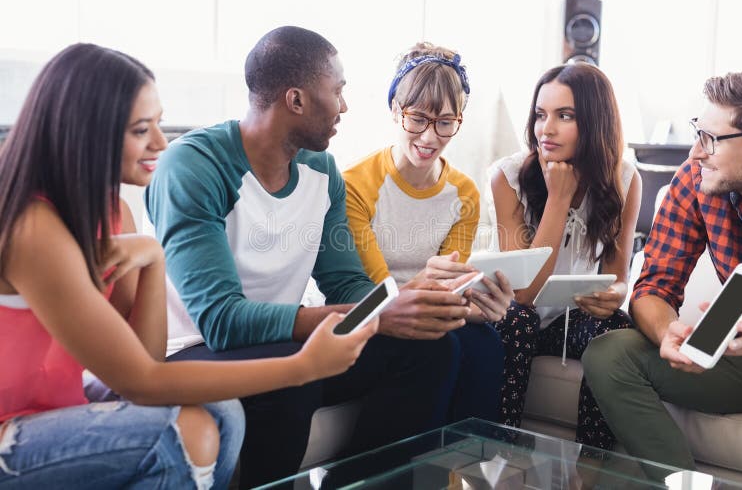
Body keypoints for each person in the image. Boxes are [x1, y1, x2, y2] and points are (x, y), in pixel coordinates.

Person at [0, 44, 376, 489]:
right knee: (179, 431)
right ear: (86, 134)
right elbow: (142, 381)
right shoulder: (32, 226)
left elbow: (146, 355)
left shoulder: (113, 211)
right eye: (142, 130)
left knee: (223, 412)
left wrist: (154, 259)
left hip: (58, 408)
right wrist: (305, 367)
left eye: (158, 124)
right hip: (11, 429)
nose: (161, 143)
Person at [144, 26, 473, 487]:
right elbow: (220, 320)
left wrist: (408, 305)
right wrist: (375, 315)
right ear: (296, 100)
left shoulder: (322, 171)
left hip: (281, 343)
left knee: (433, 349)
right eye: (337, 91)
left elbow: (347, 284)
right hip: (195, 352)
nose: (344, 106)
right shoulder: (194, 166)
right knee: (292, 381)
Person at [582, 68, 742, 477]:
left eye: (711, 140)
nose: (696, 153)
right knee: (610, 353)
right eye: (698, 133)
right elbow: (653, 285)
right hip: (738, 355)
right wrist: (669, 334)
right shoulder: (697, 180)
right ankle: (674, 484)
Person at [343, 43, 513, 423]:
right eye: (417, 118)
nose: (430, 137)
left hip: (429, 316)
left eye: (445, 122)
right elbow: (374, 296)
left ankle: (465, 470)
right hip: (369, 314)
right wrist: (432, 291)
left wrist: (483, 308)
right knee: (444, 348)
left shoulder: (463, 193)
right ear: (394, 111)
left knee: (484, 340)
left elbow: (453, 290)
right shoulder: (355, 184)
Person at [488, 63, 641, 451]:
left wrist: (613, 295)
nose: (546, 129)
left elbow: (618, 277)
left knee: (615, 327)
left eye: (564, 116)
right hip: (509, 315)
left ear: (594, 122)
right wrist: (557, 199)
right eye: (540, 115)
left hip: (567, 322)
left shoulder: (625, 179)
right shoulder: (506, 177)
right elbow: (522, 292)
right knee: (516, 320)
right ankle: (501, 457)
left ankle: (591, 467)